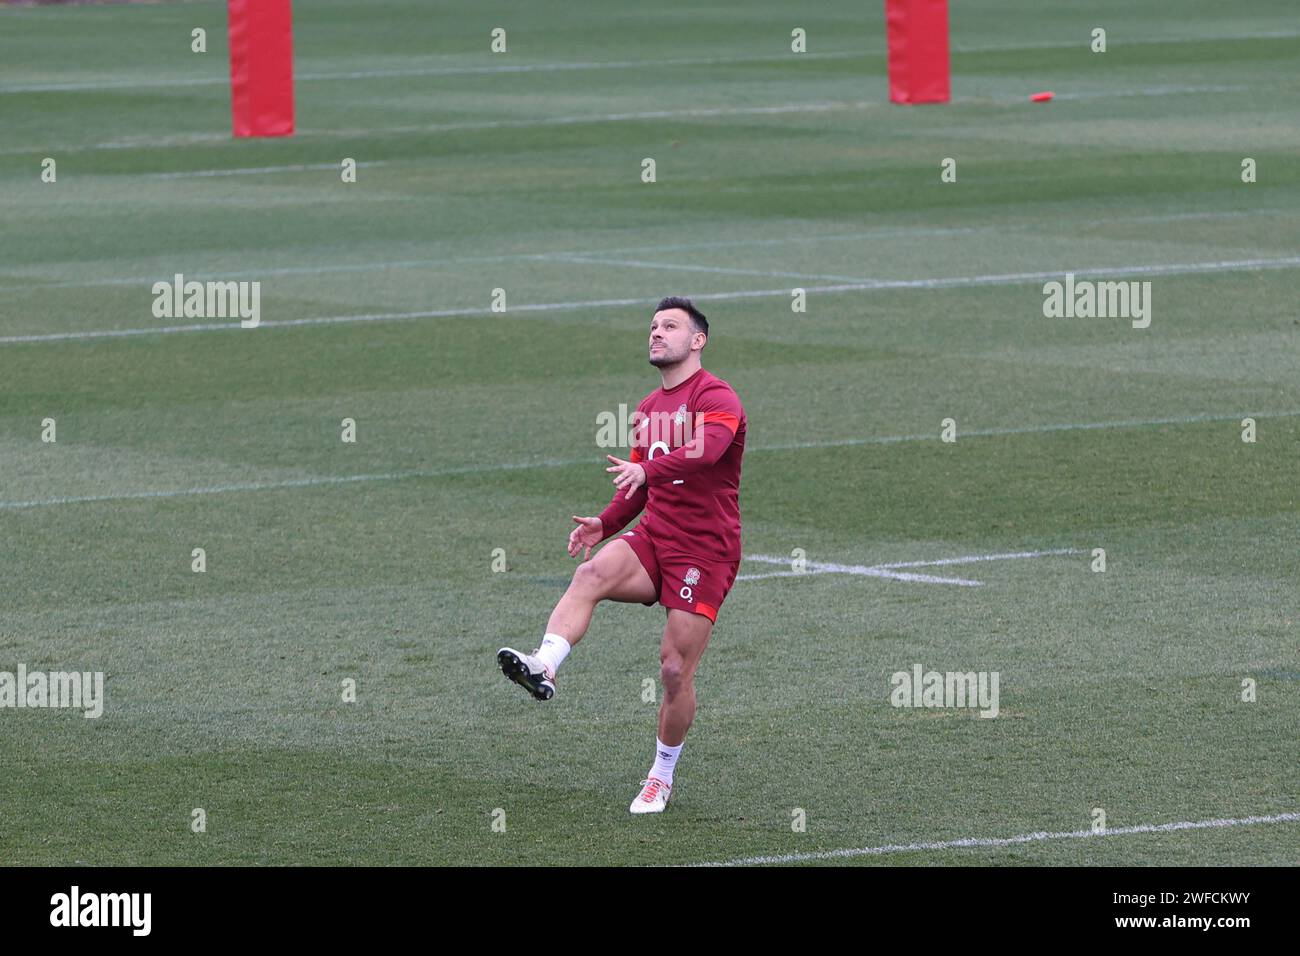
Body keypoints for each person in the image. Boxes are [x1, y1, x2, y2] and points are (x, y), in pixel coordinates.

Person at [497, 296, 747, 814]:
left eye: (670, 327)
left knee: (675, 671)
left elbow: (707, 451)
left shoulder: (717, 396)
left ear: (697, 341)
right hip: (656, 537)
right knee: (591, 573)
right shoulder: (648, 409)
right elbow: (637, 482)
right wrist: (605, 523)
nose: (656, 333)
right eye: (653, 326)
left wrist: (647, 473)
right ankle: (544, 665)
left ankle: (661, 774)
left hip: (706, 550)